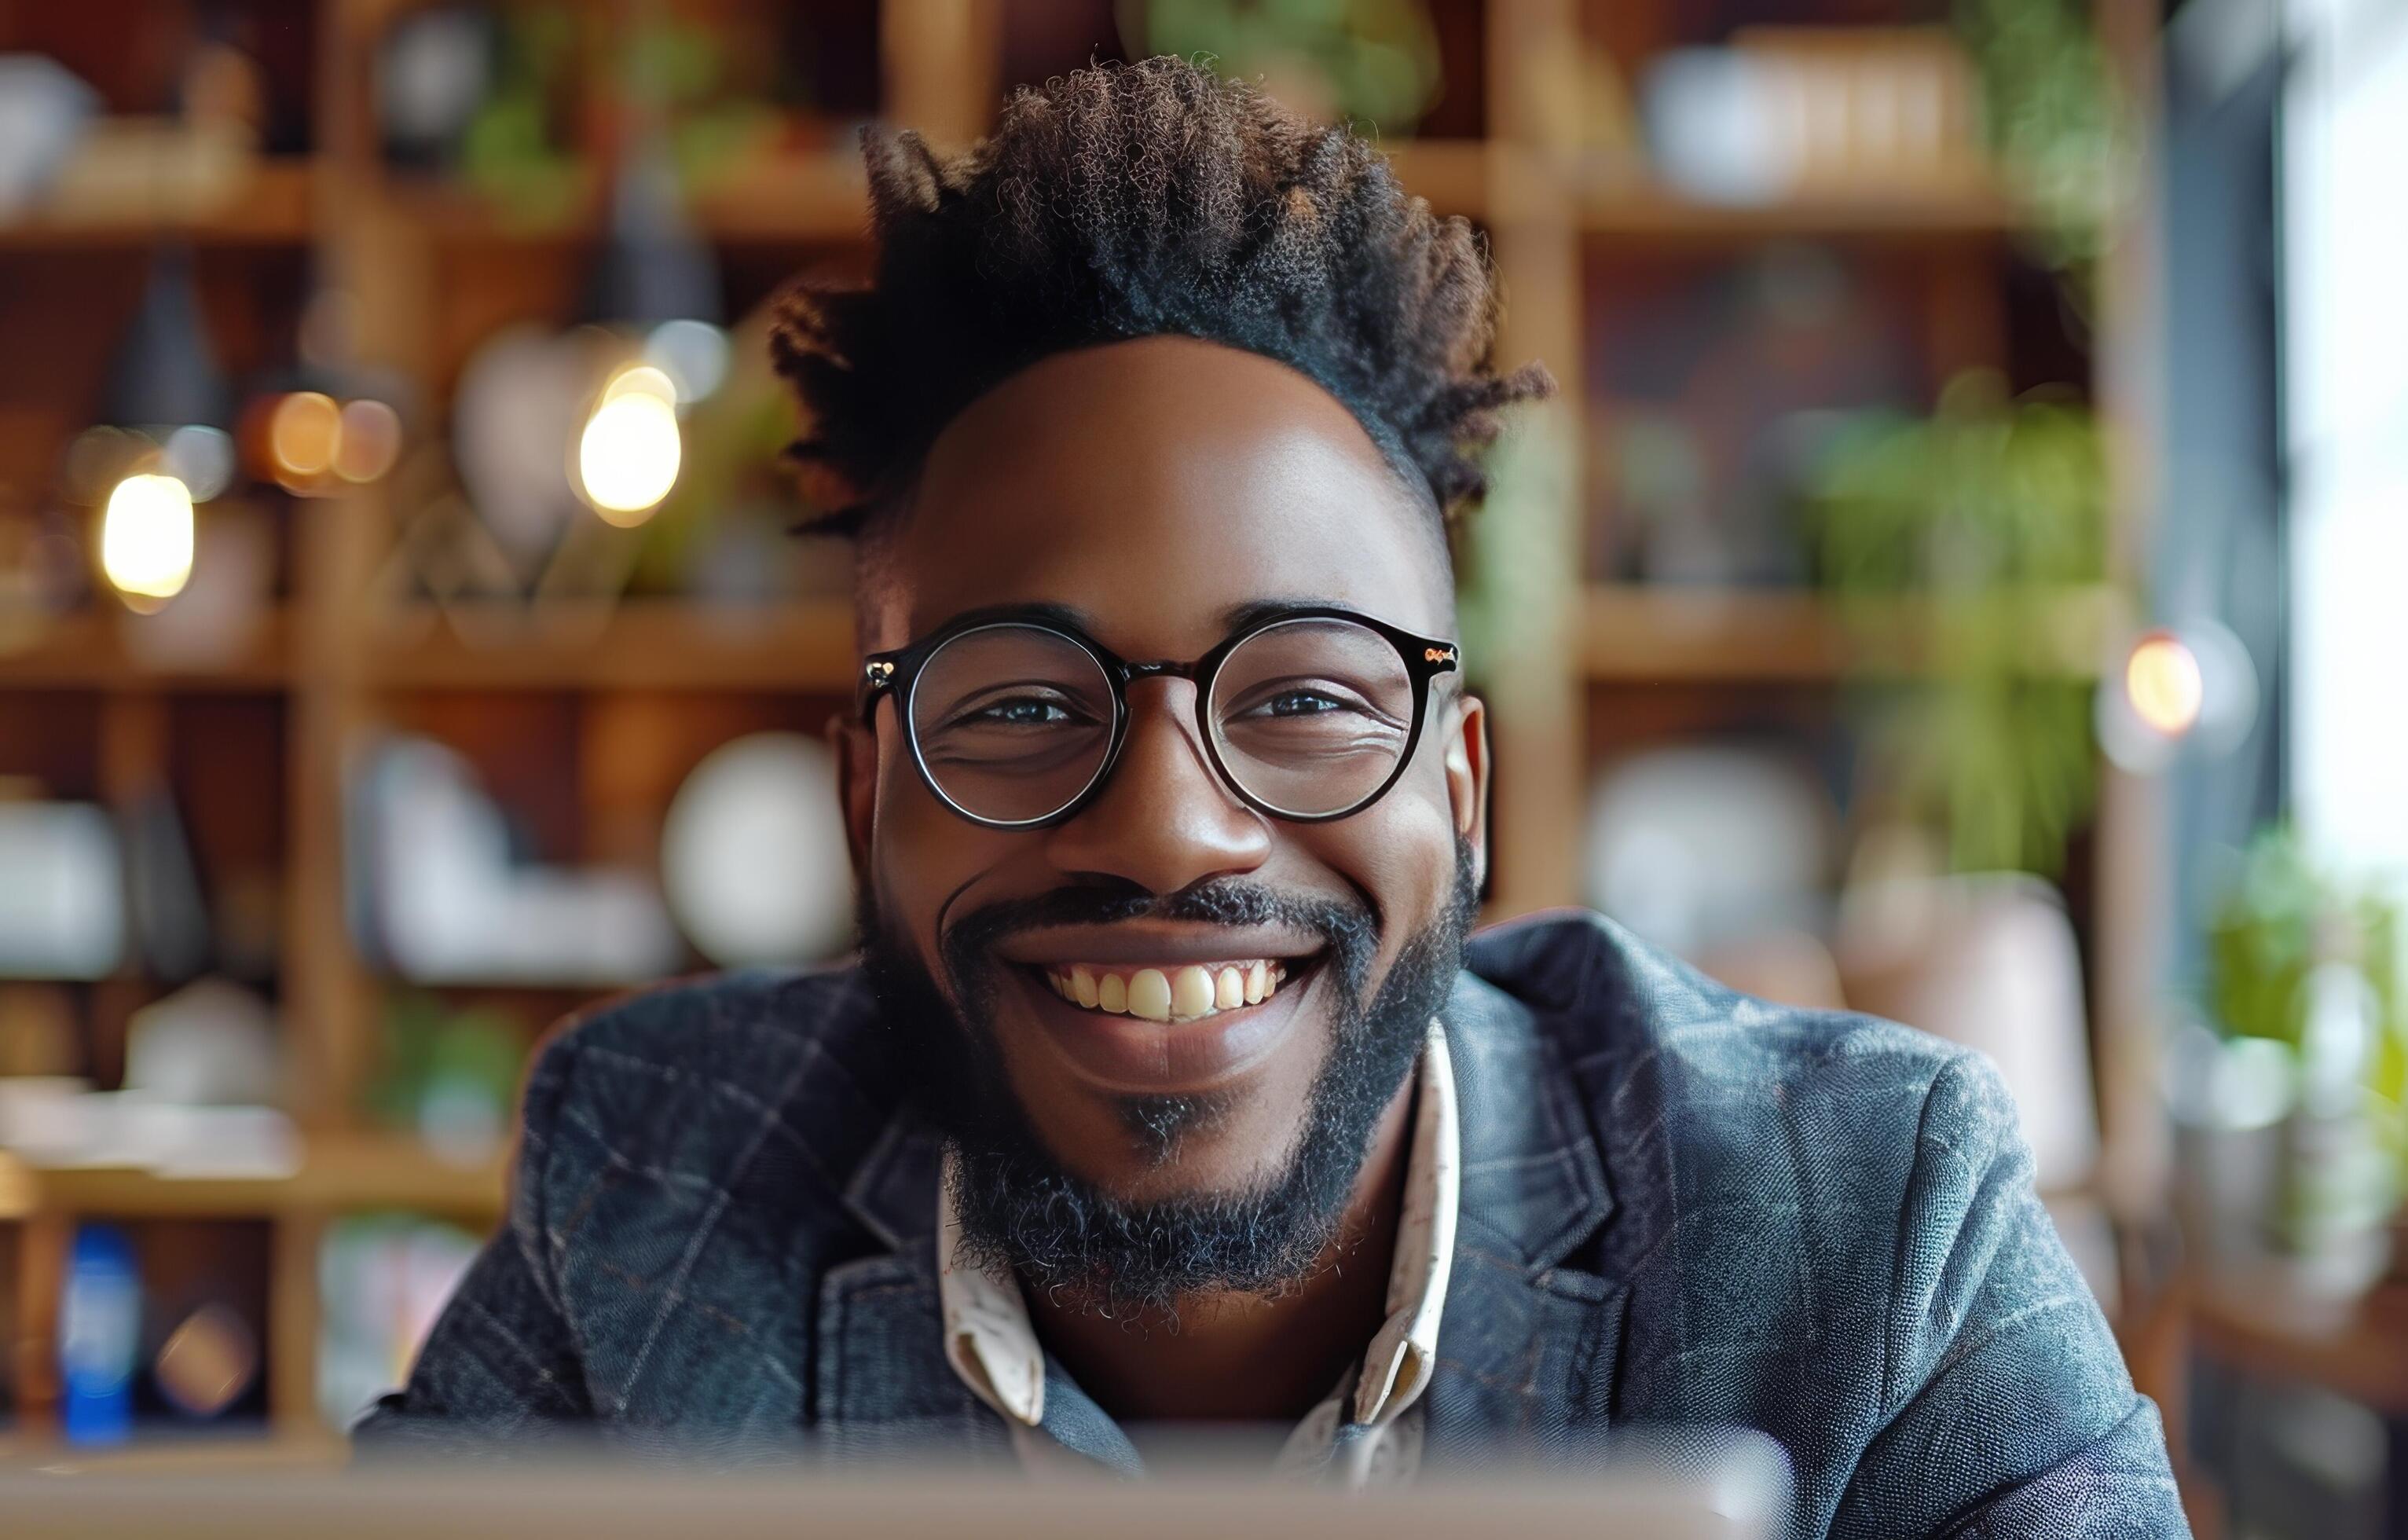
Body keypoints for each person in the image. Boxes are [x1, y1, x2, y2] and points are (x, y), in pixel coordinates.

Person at [358, 57, 2186, 1537]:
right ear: (863, 801)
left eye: (1306, 695)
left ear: (1460, 793)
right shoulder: (651, 1184)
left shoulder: (1866, 1225)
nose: (1169, 825)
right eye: (1014, 701)